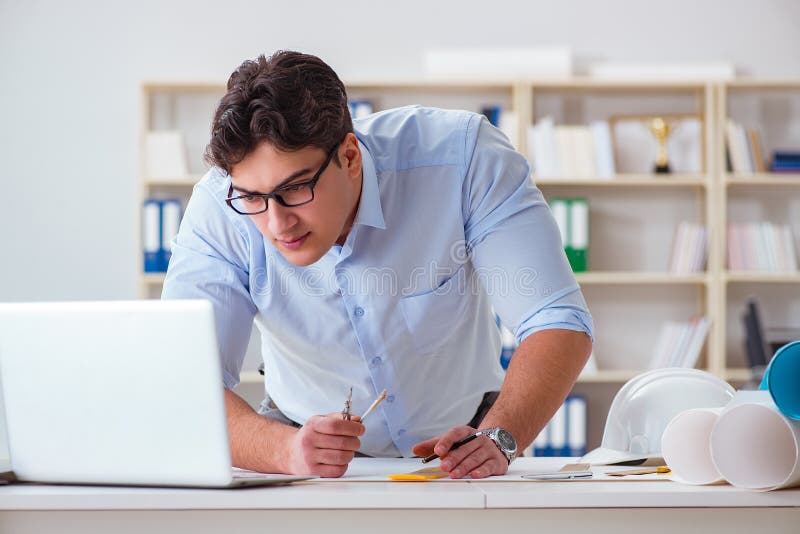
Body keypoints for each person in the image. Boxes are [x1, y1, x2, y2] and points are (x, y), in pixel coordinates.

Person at [163, 50, 593, 479]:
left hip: (470, 438)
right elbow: (186, 382)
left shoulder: (463, 158)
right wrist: (286, 451)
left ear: (349, 157)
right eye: (253, 198)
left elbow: (557, 320)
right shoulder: (219, 208)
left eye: (295, 189)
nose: (277, 223)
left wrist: (500, 436)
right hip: (299, 443)